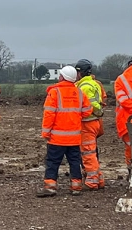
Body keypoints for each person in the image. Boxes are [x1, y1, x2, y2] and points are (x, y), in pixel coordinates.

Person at [38, 65, 92, 197]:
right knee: (74, 161)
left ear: (62, 77)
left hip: (57, 138)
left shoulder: (55, 92)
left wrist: (46, 132)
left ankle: (50, 187)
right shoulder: (79, 93)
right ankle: (76, 186)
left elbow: (49, 114)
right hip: (74, 137)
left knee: (52, 162)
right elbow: (87, 111)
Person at [74, 58, 106, 190]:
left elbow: (91, 105)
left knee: (88, 153)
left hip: (87, 123)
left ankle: (92, 181)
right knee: (92, 152)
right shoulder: (94, 83)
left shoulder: (84, 87)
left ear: (80, 72)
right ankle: (99, 179)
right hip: (95, 122)